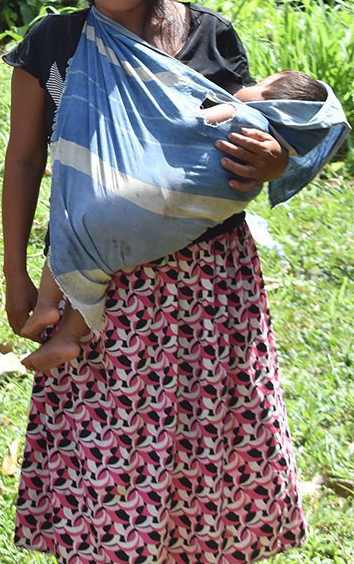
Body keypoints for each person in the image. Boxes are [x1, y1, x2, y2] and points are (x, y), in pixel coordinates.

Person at [3, 0, 306, 560]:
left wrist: (273, 164)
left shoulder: (210, 37)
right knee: (105, 461)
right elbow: (22, 162)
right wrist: (16, 273)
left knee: (209, 457)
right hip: (102, 285)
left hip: (206, 290)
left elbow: (240, 146)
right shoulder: (54, 44)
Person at [23, 67, 334, 371]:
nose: (249, 83)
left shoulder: (240, 114)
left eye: (263, 82)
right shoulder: (268, 150)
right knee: (102, 261)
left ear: (271, 102)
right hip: (187, 224)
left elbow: (189, 124)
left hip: (156, 201)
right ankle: (67, 334)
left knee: (75, 228)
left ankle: (47, 306)